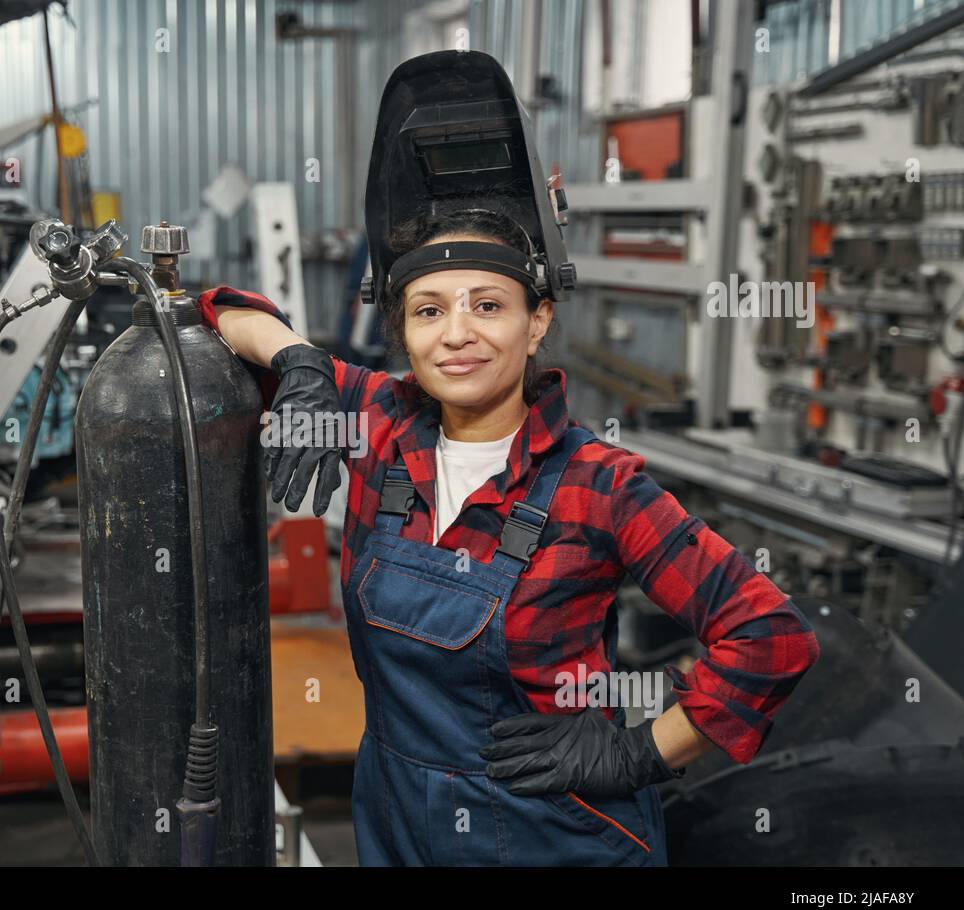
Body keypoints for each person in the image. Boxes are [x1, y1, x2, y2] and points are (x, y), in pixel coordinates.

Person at [195, 52, 820, 866]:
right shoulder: (381, 423)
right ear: (402, 332)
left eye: (488, 306)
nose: (456, 334)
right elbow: (216, 310)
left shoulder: (601, 485)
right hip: (398, 821)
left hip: (552, 835)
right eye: (427, 311)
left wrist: (640, 753)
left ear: (537, 322)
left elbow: (770, 637)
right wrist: (300, 365)